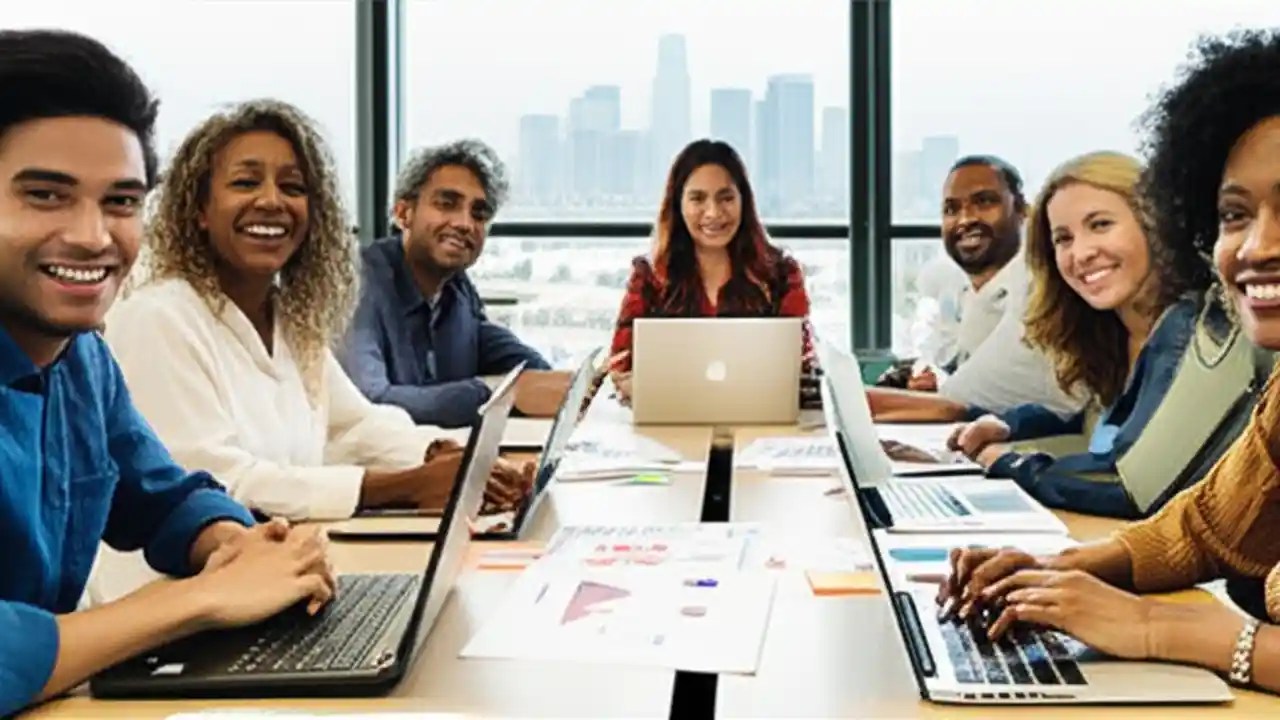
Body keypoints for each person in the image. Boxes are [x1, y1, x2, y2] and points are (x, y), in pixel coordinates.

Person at [0, 30, 334, 717]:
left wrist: (234, 544)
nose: (95, 236)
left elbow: (160, 492)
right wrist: (200, 600)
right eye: (46, 195)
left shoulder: (81, 359)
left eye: (121, 202)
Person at [939, 29, 1280, 694]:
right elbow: (1204, 527)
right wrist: (1061, 569)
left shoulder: (1191, 327)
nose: (1258, 245)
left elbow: (1136, 487)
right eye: (1235, 214)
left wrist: (1156, 628)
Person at [91, 101, 532, 601]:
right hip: (175, 606)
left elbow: (353, 425)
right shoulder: (160, 317)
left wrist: (452, 457)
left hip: (273, 584)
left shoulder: (289, 319)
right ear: (198, 210)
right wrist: (404, 486)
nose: (272, 201)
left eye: (294, 187)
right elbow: (219, 482)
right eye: (245, 182)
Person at [946, 151, 1268, 518]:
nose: (1081, 253)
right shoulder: (1116, 332)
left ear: (1153, 223)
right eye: (1063, 238)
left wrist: (1007, 464)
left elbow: (1130, 486)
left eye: (1100, 225)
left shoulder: (1191, 326)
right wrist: (1008, 426)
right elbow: (1102, 427)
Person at [341, 139, 569, 428]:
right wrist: (498, 394)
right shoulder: (356, 283)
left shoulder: (456, 289)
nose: (464, 223)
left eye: (479, 213)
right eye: (447, 204)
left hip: (439, 461)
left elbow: (521, 366)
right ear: (403, 214)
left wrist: (577, 383)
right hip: (371, 469)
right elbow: (367, 404)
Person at [868, 156, 1083, 420]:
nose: (965, 219)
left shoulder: (1041, 288)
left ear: (1022, 211)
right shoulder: (959, 290)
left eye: (984, 202)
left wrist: (862, 402)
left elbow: (960, 399)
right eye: (951, 209)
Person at [606, 139, 817, 403]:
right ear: (678, 204)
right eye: (698, 199)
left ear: (744, 201)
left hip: (761, 424)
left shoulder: (781, 273)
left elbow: (804, 364)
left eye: (726, 198)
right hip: (671, 423)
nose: (713, 213)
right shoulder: (649, 275)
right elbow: (620, 365)